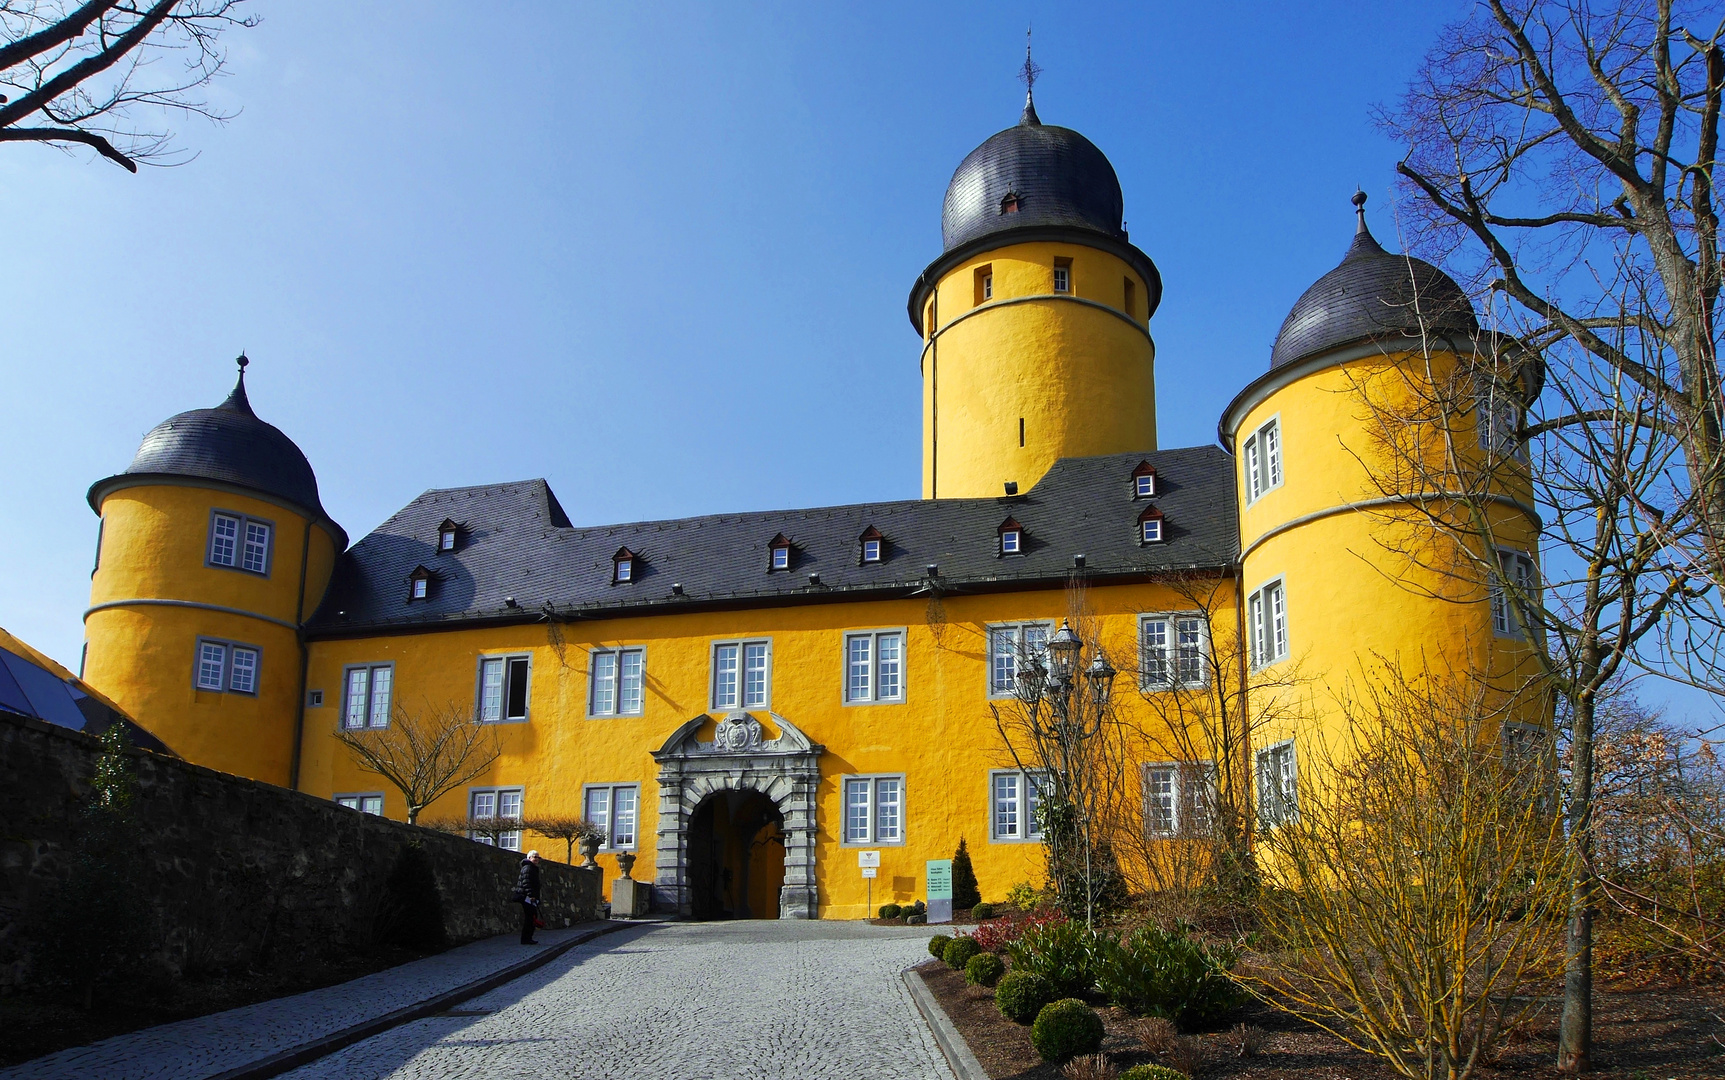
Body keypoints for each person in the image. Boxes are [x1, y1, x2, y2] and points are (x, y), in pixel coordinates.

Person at [513, 849, 542, 944]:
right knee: (530, 917)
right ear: (529, 858)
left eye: (538, 857)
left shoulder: (531, 868)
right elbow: (526, 883)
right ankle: (526, 938)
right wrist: (531, 895)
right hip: (527, 897)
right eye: (535, 857)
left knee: (531, 917)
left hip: (529, 897)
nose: (537, 859)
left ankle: (528, 938)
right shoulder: (528, 868)